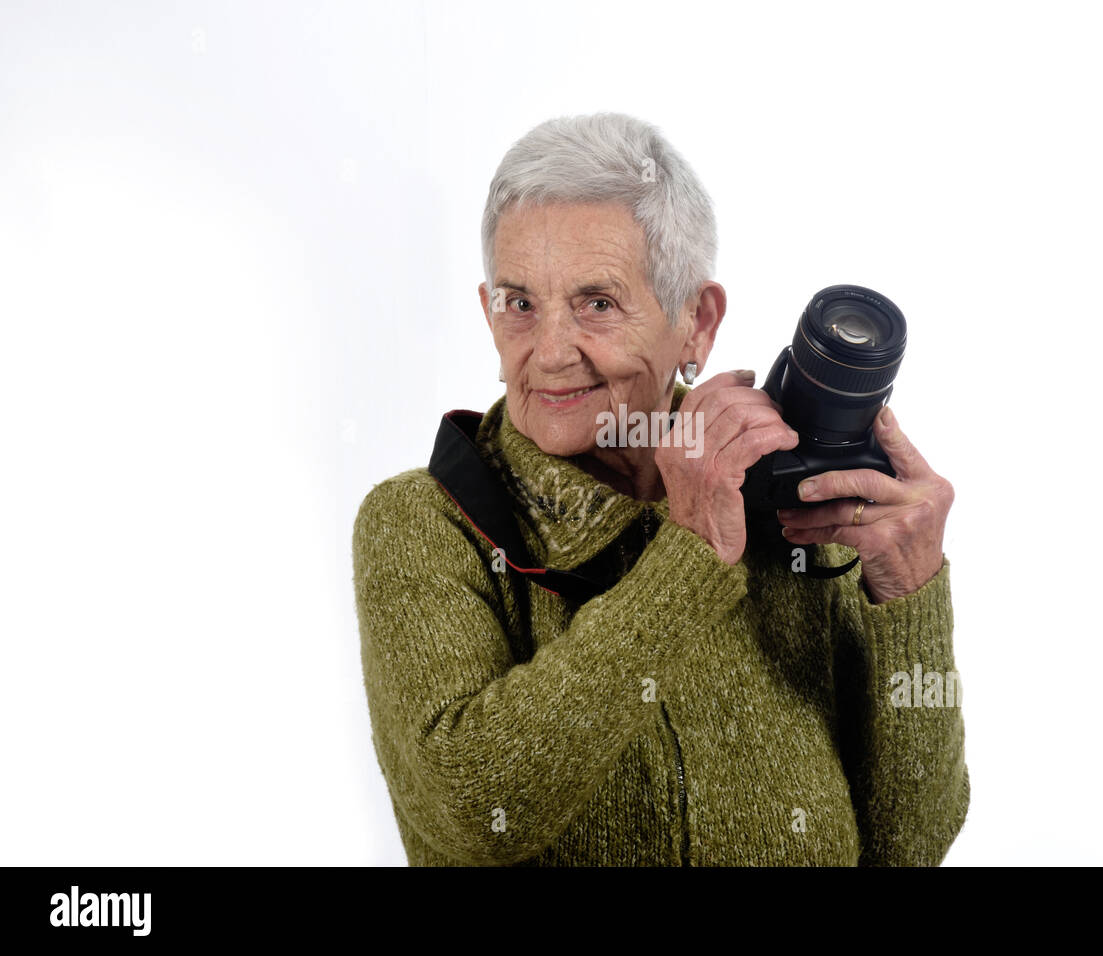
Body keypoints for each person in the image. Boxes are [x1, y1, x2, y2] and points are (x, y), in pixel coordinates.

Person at [352, 112, 968, 866]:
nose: (548, 353)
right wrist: (691, 554)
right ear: (487, 313)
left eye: (597, 303)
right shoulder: (423, 522)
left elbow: (911, 844)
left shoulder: (785, 506)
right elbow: (476, 812)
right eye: (519, 303)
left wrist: (908, 596)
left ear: (696, 324)